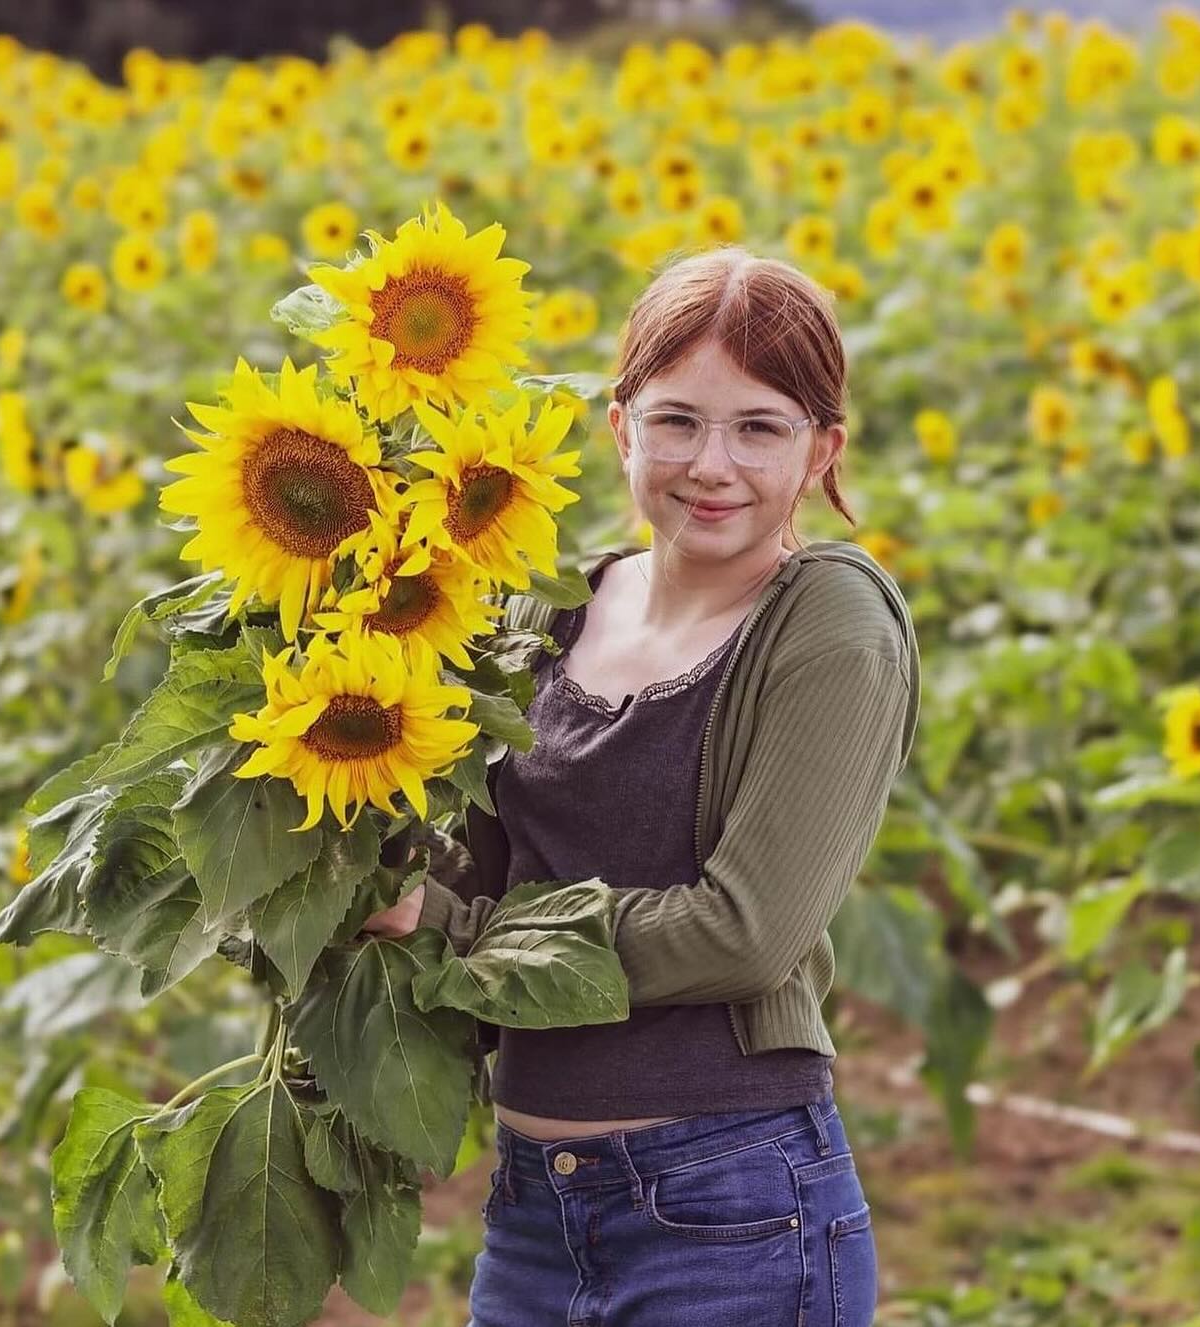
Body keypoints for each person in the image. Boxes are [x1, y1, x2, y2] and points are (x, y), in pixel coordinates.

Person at [362, 245, 921, 1326]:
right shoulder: (549, 607)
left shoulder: (829, 622)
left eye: (759, 427)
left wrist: (457, 931)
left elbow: (745, 933)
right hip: (532, 1216)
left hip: (734, 1213)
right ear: (620, 428)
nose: (712, 464)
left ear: (821, 450)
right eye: (677, 420)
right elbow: (467, 872)